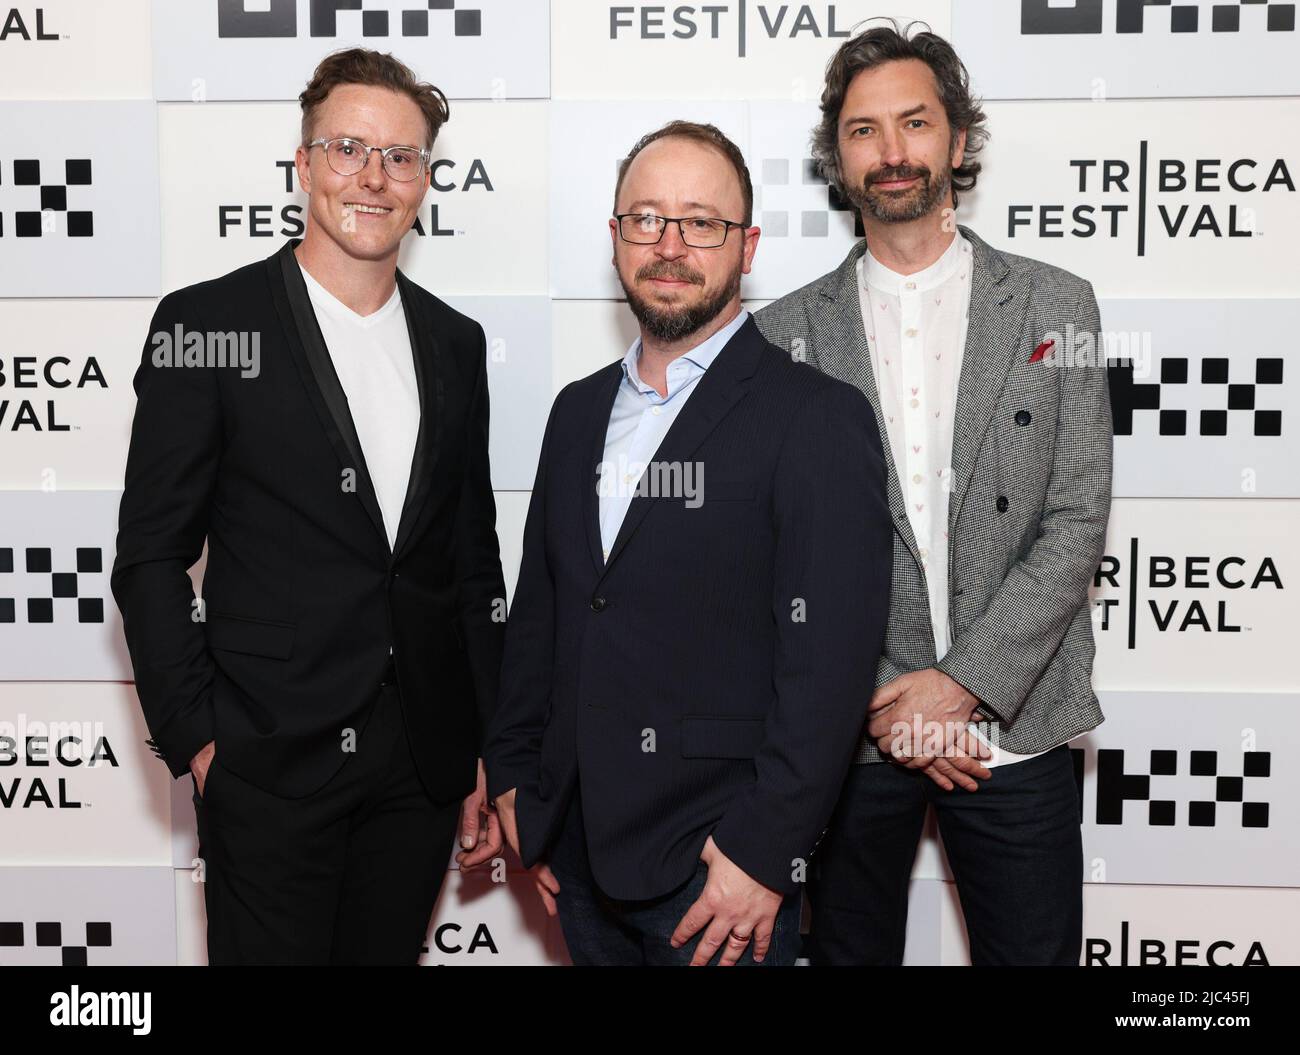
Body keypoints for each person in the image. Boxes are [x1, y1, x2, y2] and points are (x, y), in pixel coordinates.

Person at [112, 48, 506, 964]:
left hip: (418, 769)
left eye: (401, 157)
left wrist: (485, 747)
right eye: (348, 148)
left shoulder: (456, 343)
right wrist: (204, 741)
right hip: (266, 763)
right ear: (302, 164)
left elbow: (470, 558)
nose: (374, 177)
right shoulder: (206, 326)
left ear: (425, 180)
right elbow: (149, 556)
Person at [485, 121, 892, 966]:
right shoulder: (576, 412)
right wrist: (520, 782)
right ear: (615, 239)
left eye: (701, 222)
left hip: (718, 877)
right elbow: (544, 615)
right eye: (646, 218)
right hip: (578, 851)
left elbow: (832, 664)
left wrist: (763, 851)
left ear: (746, 247)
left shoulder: (816, 416)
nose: (670, 245)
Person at [755, 20, 1113, 966]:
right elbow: (776, 555)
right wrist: (888, 703)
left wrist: (961, 686)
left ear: (958, 139)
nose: (892, 151)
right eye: (864, 130)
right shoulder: (783, 335)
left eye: (914, 123)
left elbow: (1076, 517)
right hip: (848, 737)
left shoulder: (1055, 305)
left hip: (1014, 723)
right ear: (839, 158)